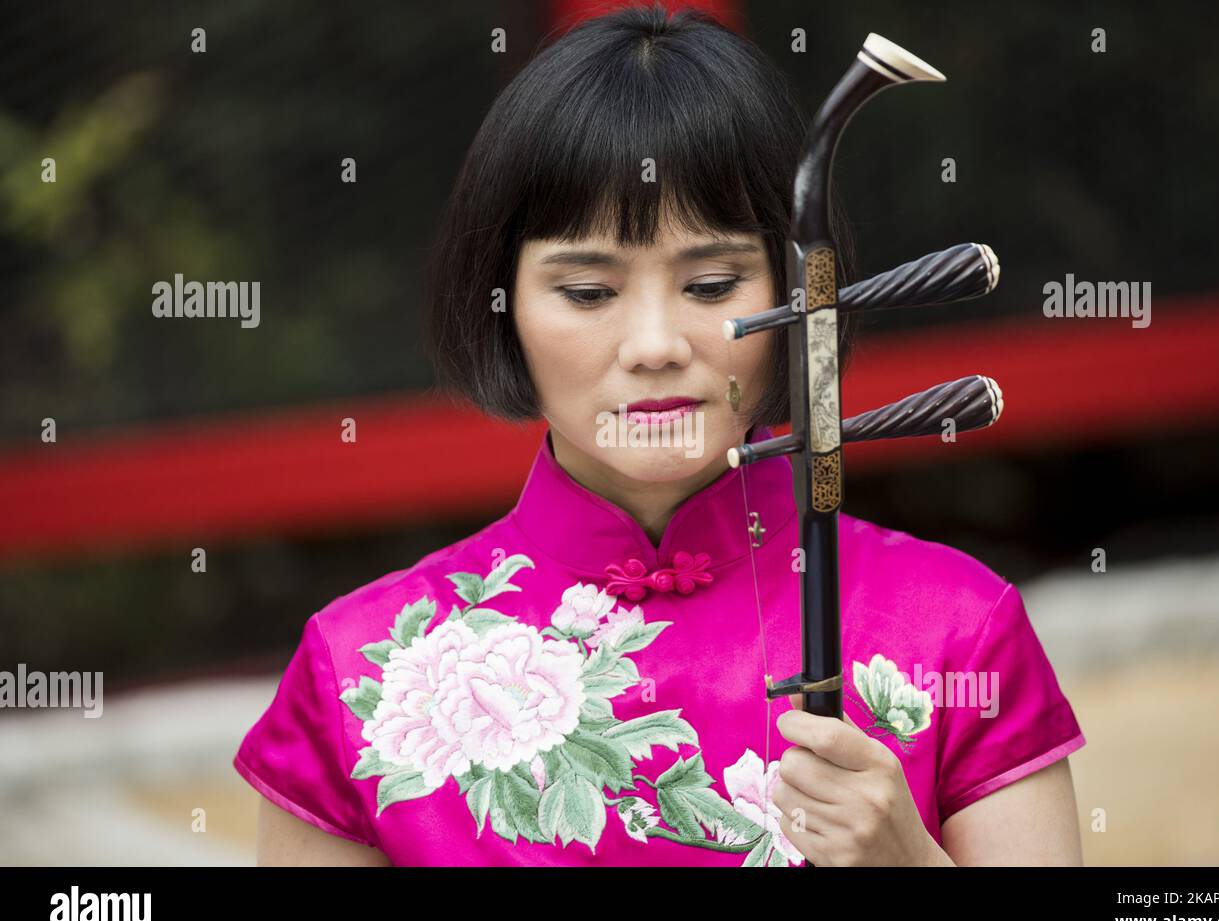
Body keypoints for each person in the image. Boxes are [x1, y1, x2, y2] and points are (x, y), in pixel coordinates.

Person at [233, 3, 1085, 867]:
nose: (655, 347)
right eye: (590, 292)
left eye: (713, 284)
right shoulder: (361, 677)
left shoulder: (955, 630)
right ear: (502, 305)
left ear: (802, 292)